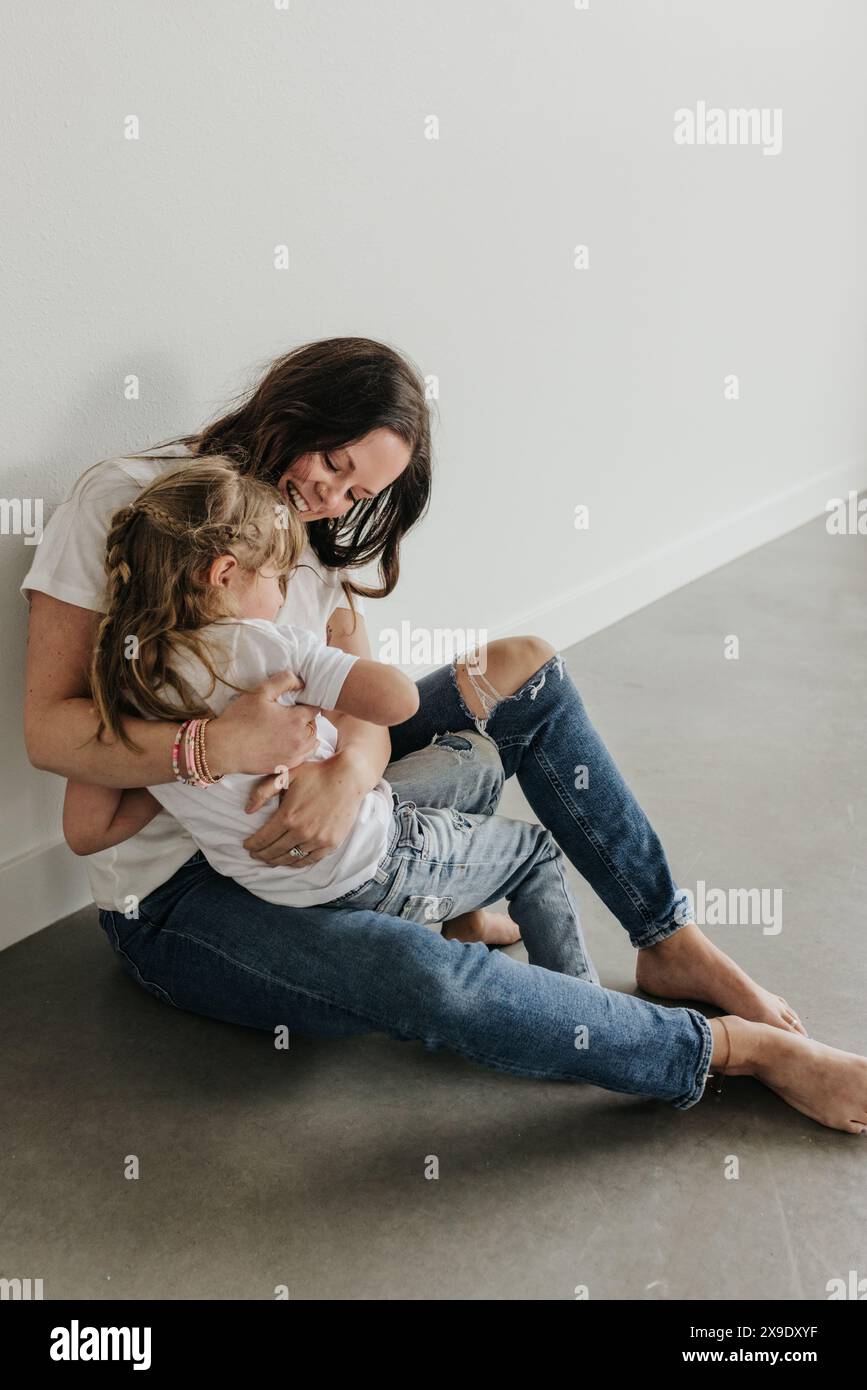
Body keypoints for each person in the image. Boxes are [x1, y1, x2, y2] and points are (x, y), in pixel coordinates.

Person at [23, 336, 867, 1131]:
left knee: (523, 666)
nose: (328, 498)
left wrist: (345, 776)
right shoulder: (129, 504)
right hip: (185, 890)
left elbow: (368, 706)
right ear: (292, 409)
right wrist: (214, 747)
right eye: (333, 462)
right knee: (415, 973)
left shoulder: (301, 537)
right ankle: (728, 1053)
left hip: (321, 808)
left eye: (357, 494)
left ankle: (666, 939)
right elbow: (50, 730)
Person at [64, 459, 601, 980]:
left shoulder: (126, 684)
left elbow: (88, 832)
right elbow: (398, 701)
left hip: (279, 889)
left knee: (470, 760)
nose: (282, 598)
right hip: (374, 858)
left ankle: (463, 920)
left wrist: (200, 759)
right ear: (225, 573)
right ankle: (587, 1015)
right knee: (537, 853)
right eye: (281, 580)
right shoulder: (266, 648)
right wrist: (312, 692)